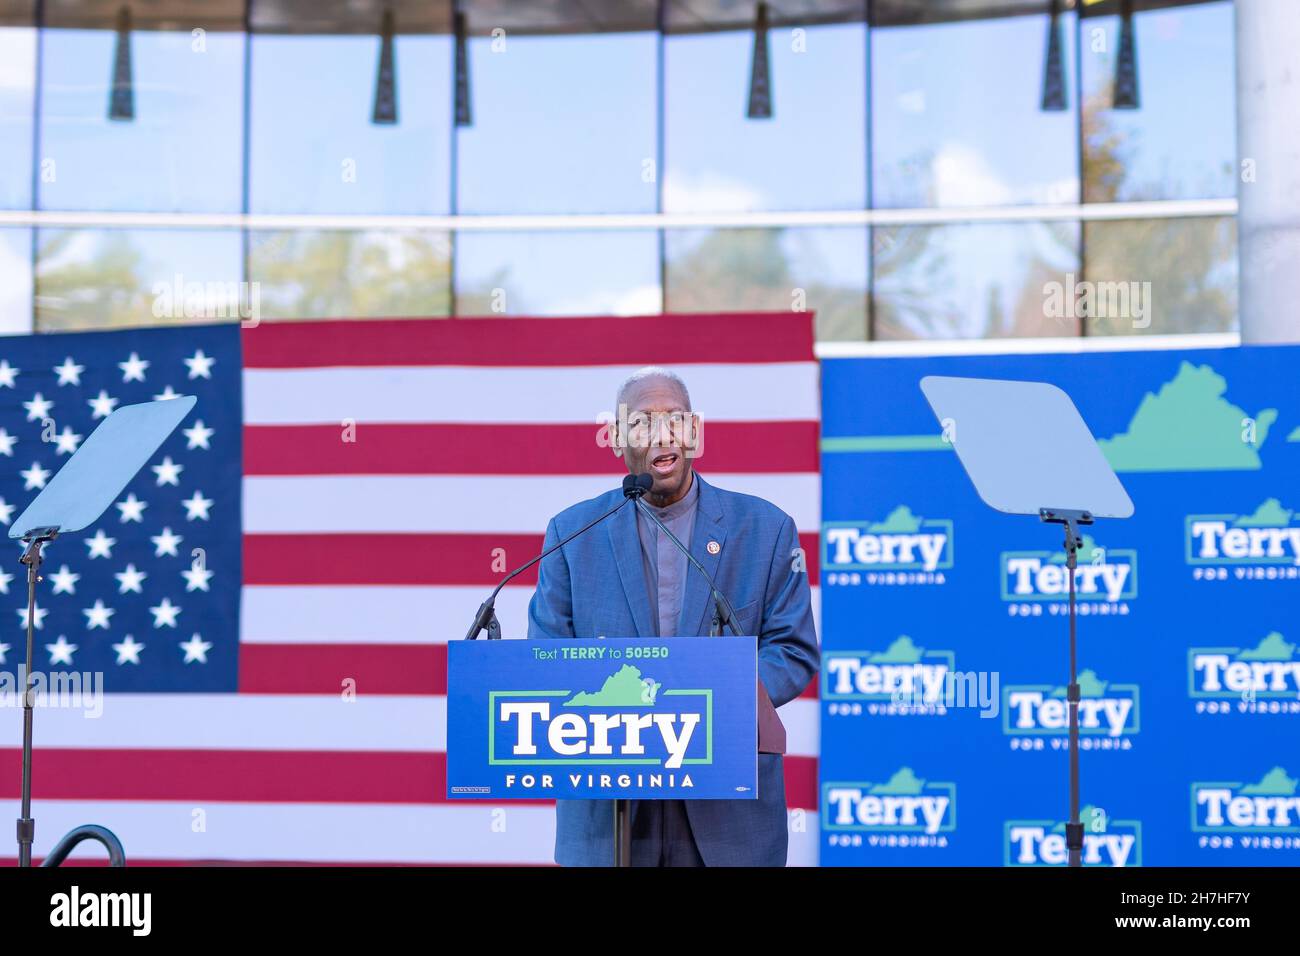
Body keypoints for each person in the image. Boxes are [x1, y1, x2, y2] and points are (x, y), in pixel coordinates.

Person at [527, 366, 819, 866]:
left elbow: (791, 649)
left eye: (676, 420)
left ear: (694, 432)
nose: (663, 435)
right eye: (642, 423)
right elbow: (547, 657)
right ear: (618, 440)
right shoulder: (573, 534)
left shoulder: (766, 529)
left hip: (727, 813)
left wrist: (709, 700)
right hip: (612, 814)